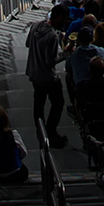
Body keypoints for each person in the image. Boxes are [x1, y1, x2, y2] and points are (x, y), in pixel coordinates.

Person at [26, 8, 67, 148]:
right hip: (47, 77)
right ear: (59, 17)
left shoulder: (36, 25)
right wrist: (65, 53)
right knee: (58, 103)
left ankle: (40, 132)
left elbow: (27, 44)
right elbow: (51, 61)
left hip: (33, 73)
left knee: (39, 103)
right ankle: (50, 132)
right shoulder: (52, 36)